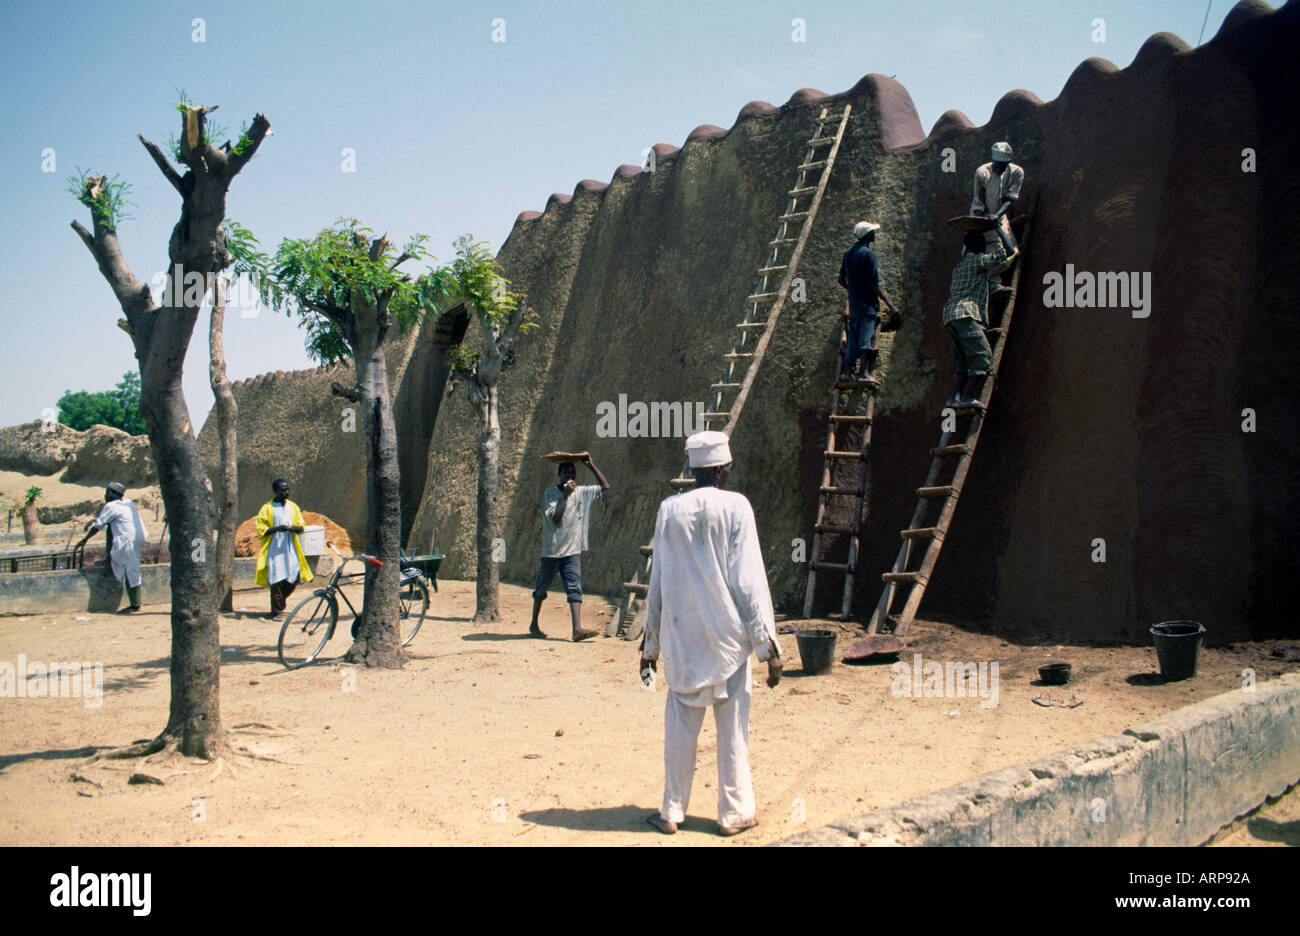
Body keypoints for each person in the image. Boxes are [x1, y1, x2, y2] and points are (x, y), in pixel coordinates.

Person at [640, 430, 783, 837]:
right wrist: (767, 647)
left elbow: (659, 583)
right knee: (733, 731)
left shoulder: (669, 510)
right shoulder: (737, 507)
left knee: (679, 731)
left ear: (693, 469)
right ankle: (735, 814)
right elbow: (749, 582)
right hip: (728, 643)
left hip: (683, 641)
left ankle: (671, 812)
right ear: (722, 470)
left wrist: (650, 646)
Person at [529, 453, 610, 642]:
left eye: (572, 473)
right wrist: (565, 496)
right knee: (541, 589)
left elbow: (605, 486)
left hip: (572, 550)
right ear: (559, 475)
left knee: (574, 589)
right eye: (566, 473)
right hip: (552, 550)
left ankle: (577, 630)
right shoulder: (551, 493)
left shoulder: (581, 492)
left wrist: (591, 465)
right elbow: (555, 518)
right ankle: (534, 624)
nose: (569, 476)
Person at [941, 231, 1020, 410]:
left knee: (963, 363)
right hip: (967, 314)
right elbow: (1009, 251)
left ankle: (954, 397)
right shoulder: (978, 261)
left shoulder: (958, 267)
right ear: (977, 247)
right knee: (982, 356)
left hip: (950, 316)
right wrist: (998, 228)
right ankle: (968, 396)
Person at [837, 221, 898, 383]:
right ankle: (863, 373)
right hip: (867, 303)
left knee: (853, 338)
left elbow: (841, 279)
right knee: (866, 338)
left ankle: (846, 371)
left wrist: (853, 290)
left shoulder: (848, 253)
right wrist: (890, 305)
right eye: (872, 232)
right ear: (867, 235)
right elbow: (873, 284)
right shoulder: (868, 254)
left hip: (855, 303)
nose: (874, 234)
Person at [75, 482, 147, 613]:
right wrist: (94, 520)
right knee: (130, 567)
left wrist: (84, 540)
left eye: (108, 493)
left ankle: (135, 605)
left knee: (131, 570)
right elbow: (108, 519)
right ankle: (134, 603)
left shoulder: (111, 506)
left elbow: (98, 526)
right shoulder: (128, 503)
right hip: (137, 538)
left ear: (114, 494)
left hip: (128, 541)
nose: (105, 495)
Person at [254, 479, 313, 620]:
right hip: (274, 549)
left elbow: (301, 526)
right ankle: (277, 611)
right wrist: (277, 529)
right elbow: (260, 529)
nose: (286, 492)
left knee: (293, 578)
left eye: (287, 489)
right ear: (276, 491)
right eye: (283, 490)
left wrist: (293, 528)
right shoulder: (267, 508)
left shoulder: (293, 507)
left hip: (291, 548)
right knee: (276, 579)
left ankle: (279, 602)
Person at [970, 141, 1025, 292]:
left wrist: (997, 216)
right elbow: (978, 201)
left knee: (1010, 251)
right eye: (998, 164)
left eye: (1004, 165)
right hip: (981, 217)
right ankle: (992, 283)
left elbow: (1010, 199)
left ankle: (989, 279)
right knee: (988, 250)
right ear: (994, 161)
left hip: (999, 216)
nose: (1000, 168)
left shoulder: (1016, 172)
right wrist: (980, 223)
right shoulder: (982, 172)